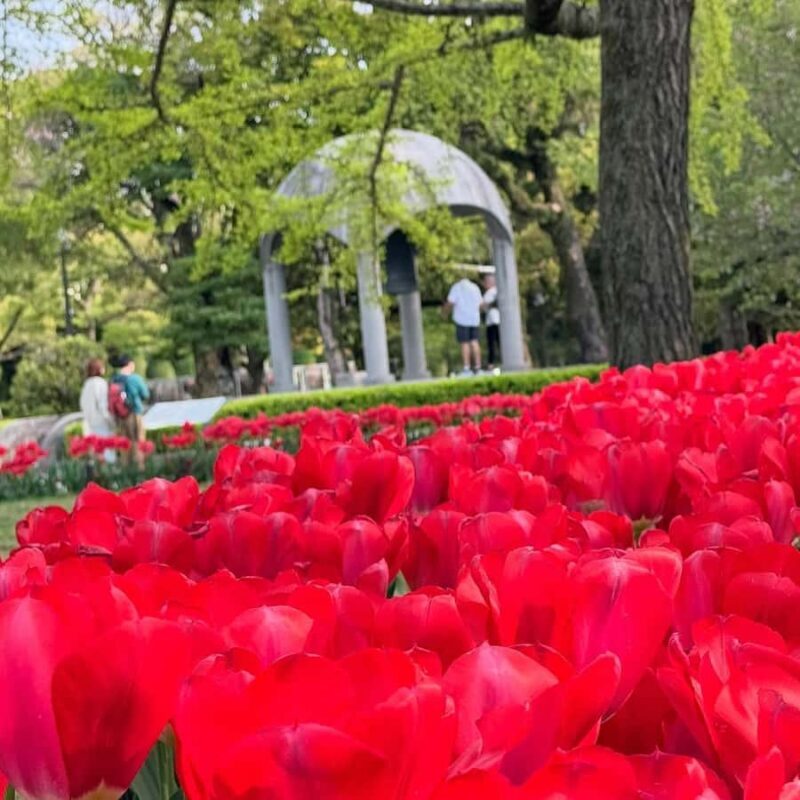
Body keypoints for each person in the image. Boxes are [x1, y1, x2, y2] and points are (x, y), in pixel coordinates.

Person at [111, 354, 150, 468]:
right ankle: (140, 469)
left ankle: (126, 470)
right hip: (134, 413)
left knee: (124, 445)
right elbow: (145, 394)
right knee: (138, 442)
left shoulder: (114, 379)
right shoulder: (134, 378)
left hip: (120, 416)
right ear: (130, 364)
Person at [443, 271, 483, 376]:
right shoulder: (475, 288)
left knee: (464, 343)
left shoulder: (456, 287)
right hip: (474, 319)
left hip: (461, 319)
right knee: (474, 342)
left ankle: (467, 368)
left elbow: (450, 302)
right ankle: (478, 367)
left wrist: (445, 312)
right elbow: (481, 303)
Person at [79, 358, 117, 463]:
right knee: (107, 456)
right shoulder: (101, 383)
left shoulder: (87, 384)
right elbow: (103, 406)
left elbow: (83, 404)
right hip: (101, 424)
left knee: (95, 456)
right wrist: (112, 422)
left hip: (89, 424)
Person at [481, 273, 501, 373]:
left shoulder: (490, 292)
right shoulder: (498, 291)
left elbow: (483, 305)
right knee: (497, 343)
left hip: (493, 321)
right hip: (496, 321)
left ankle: (491, 365)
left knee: (492, 344)